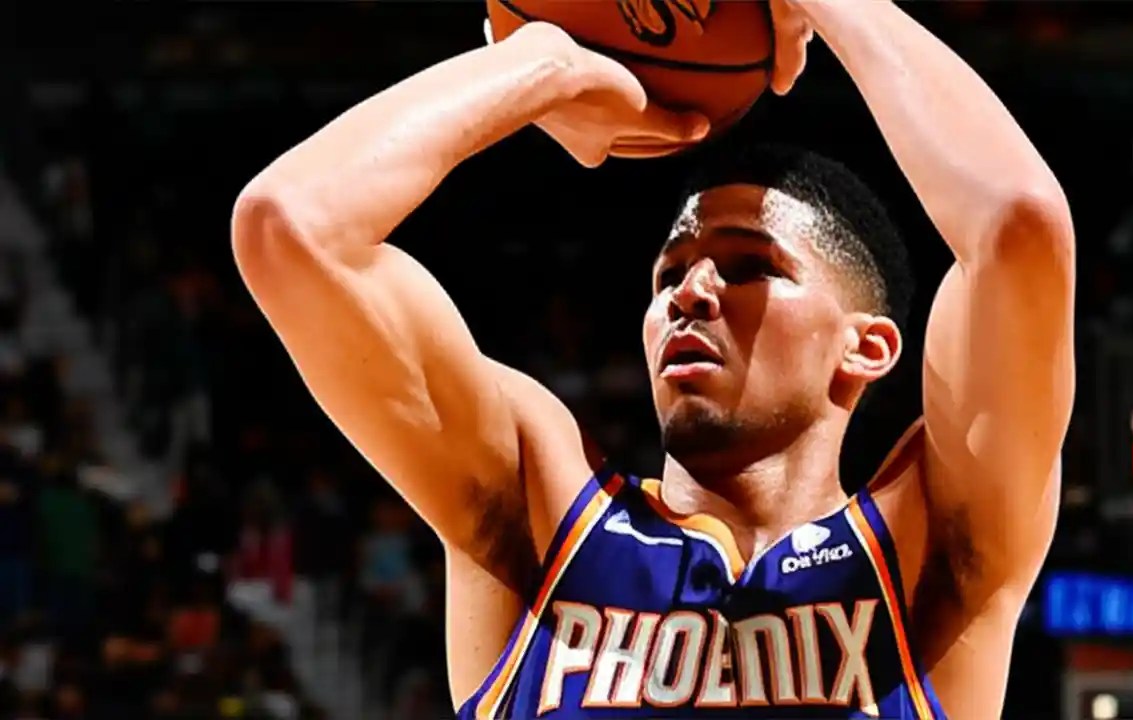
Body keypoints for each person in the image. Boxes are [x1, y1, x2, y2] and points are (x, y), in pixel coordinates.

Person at [232, 1, 1074, 717]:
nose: (692, 292)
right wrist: (545, 63)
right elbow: (290, 228)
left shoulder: (929, 548)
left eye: (752, 267)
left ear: (867, 347)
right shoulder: (541, 515)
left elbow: (1021, 230)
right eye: (670, 273)